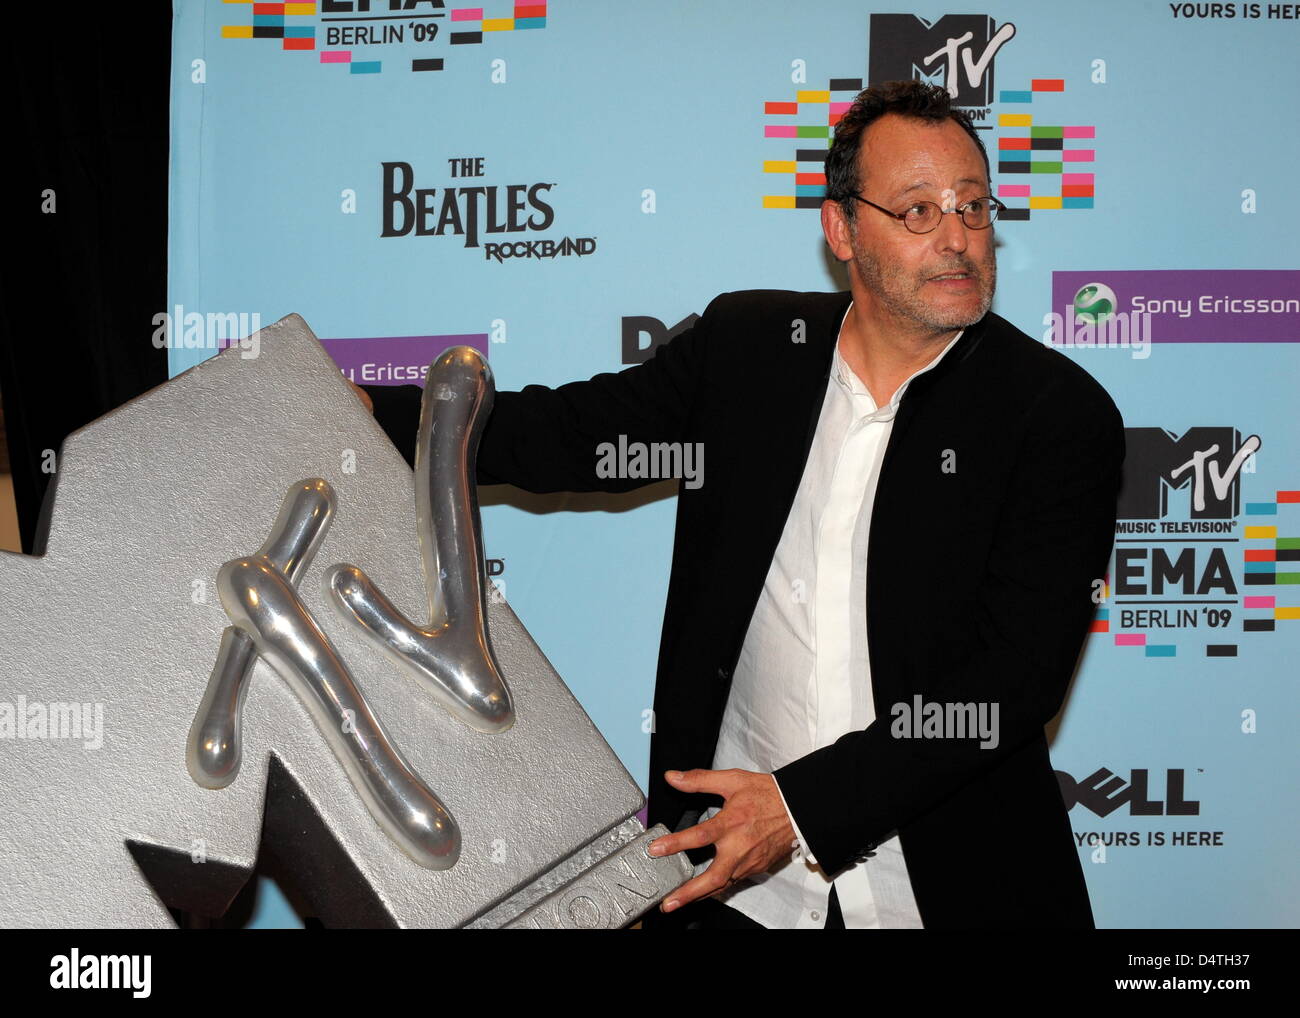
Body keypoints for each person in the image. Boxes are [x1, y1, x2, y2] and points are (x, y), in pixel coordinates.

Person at [357, 79, 1124, 930]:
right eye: (918, 211)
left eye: (974, 207)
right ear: (841, 229)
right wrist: (354, 410)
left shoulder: (1056, 416)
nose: (956, 238)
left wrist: (797, 808)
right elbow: (564, 435)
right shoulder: (750, 352)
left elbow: (1007, 684)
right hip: (734, 891)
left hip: (950, 890)